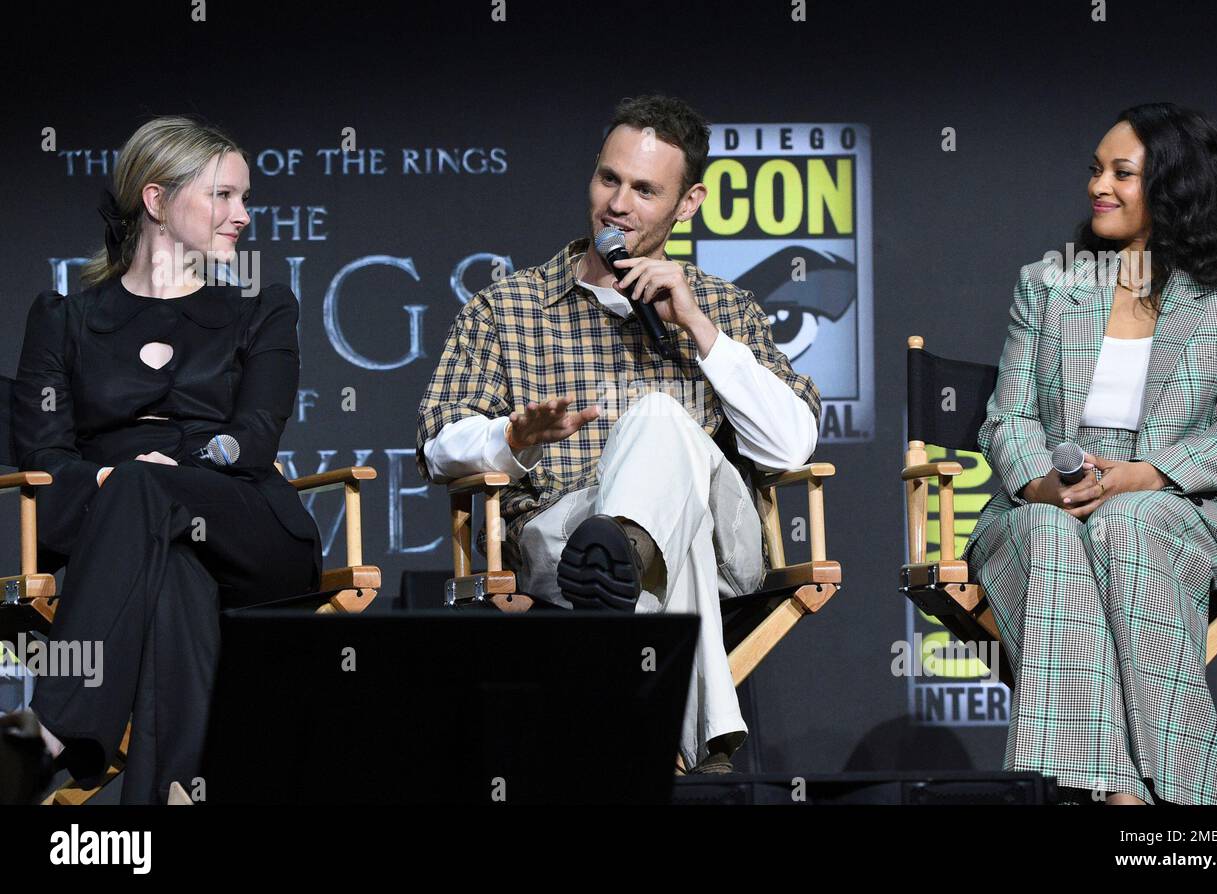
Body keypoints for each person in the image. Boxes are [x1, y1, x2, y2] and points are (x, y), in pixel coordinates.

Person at [416, 95, 820, 771]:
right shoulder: (507, 308)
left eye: (644, 190)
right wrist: (511, 440)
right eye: (609, 179)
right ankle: (704, 743)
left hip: (721, 548)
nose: (618, 205)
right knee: (670, 540)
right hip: (563, 539)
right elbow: (436, 443)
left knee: (659, 417)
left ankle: (622, 554)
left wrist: (699, 328)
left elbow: (790, 445)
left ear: (688, 204)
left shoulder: (725, 308)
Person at [963, 102, 1217, 805]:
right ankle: (1137, 800)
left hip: (1183, 504)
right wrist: (1043, 486)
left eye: (1121, 173)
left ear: (1174, 184)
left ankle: (1121, 795)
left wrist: (1148, 475)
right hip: (1050, 498)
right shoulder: (1051, 284)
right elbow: (1008, 418)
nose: (1097, 186)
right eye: (1095, 170)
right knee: (1050, 531)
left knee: (1127, 521)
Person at [0, 116, 322, 804]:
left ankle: (51, 731)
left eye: (245, 197)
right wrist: (110, 479)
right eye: (223, 195)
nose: (243, 215)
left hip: (249, 529)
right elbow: (46, 459)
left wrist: (169, 470)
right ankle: (177, 792)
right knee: (173, 575)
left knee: (149, 491)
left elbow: (254, 437)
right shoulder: (64, 319)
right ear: (156, 200)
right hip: (121, 530)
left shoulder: (261, 306)